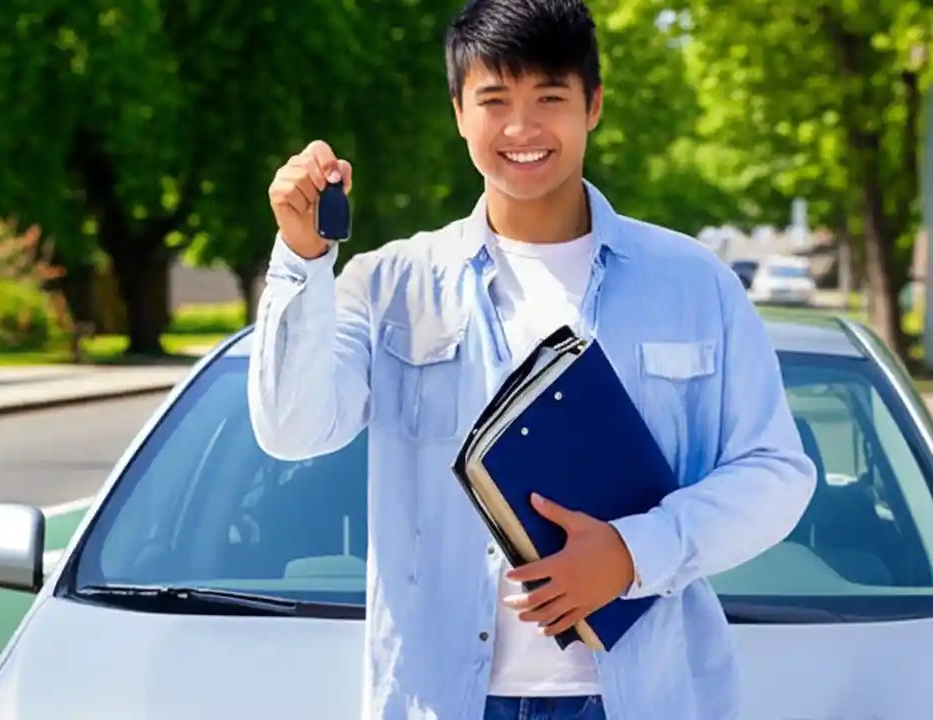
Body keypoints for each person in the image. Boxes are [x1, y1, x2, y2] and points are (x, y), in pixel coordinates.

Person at [248, 1, 817, 718]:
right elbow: (292, 430)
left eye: (550, 97)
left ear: (594, 105)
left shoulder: (694, 281)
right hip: (445, 698)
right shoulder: (390, 284)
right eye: (494, 100)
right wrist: (303, 260)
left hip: (643, 695)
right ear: (458, 111)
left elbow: (775, 473)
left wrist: (633, 553)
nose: (522, 128)